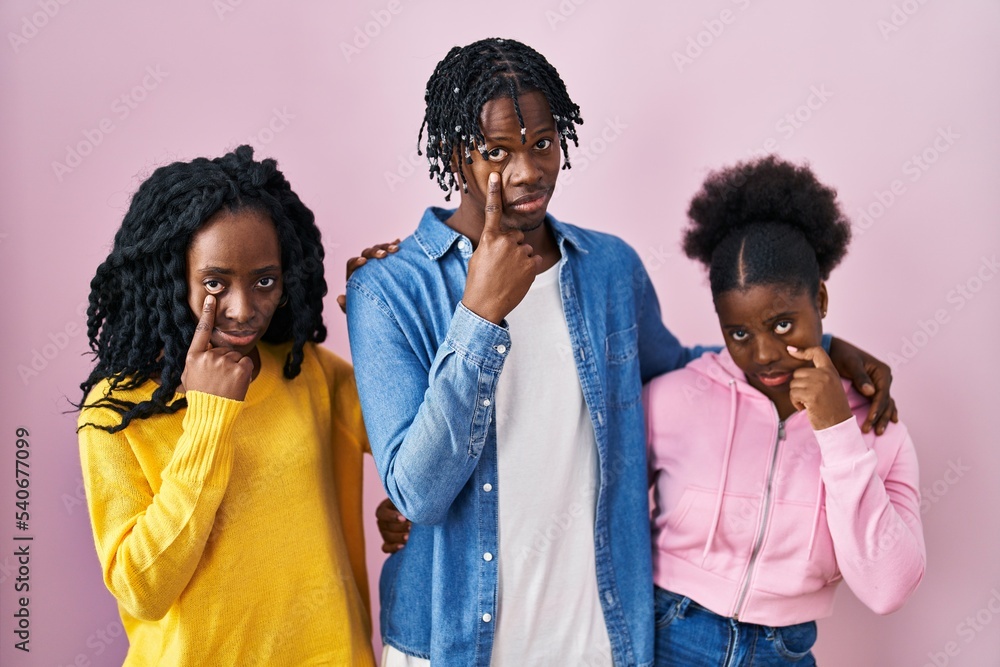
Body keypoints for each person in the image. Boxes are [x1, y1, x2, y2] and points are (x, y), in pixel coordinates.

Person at [347, 38, 896, 667]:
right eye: (497, 153)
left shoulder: (608, 269)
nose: (527, 172)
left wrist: (819, 346)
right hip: (449, 645)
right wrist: (480, 314)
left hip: (593, 639)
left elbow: (686, 369)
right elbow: (417, 495)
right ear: (454, 155)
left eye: (542, 144)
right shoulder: (388, 291)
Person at [77, 146, 376, 666]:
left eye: (265, 281)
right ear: (173, 278)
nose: (243, 309)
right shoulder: (115, 412)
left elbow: (427, 445)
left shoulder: (304, 371)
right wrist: (208, 422)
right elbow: (142, 590)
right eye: (216, 283)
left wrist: (389, 320)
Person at [645, 156, 925, 665]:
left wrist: (838, 430)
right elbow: (600, 518)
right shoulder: (671, 399)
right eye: (740, 333)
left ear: (819, 297)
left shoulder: (877, 426)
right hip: (667, 636)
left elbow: (889, 589)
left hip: (784, 650)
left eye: (781, 325)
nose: (764, 355)